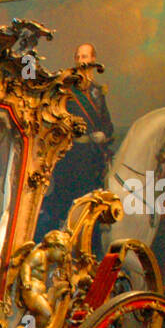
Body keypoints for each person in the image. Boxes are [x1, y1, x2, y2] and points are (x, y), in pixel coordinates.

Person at [35, 42, 115, 239]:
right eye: (78, 57)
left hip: (93, 158)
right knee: (64, 203)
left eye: (85, 57)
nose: (81, 61)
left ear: (93, 60)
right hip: (71, 156)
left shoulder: (97, 92)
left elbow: (107, 124)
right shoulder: (67, 90)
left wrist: (103, 135)